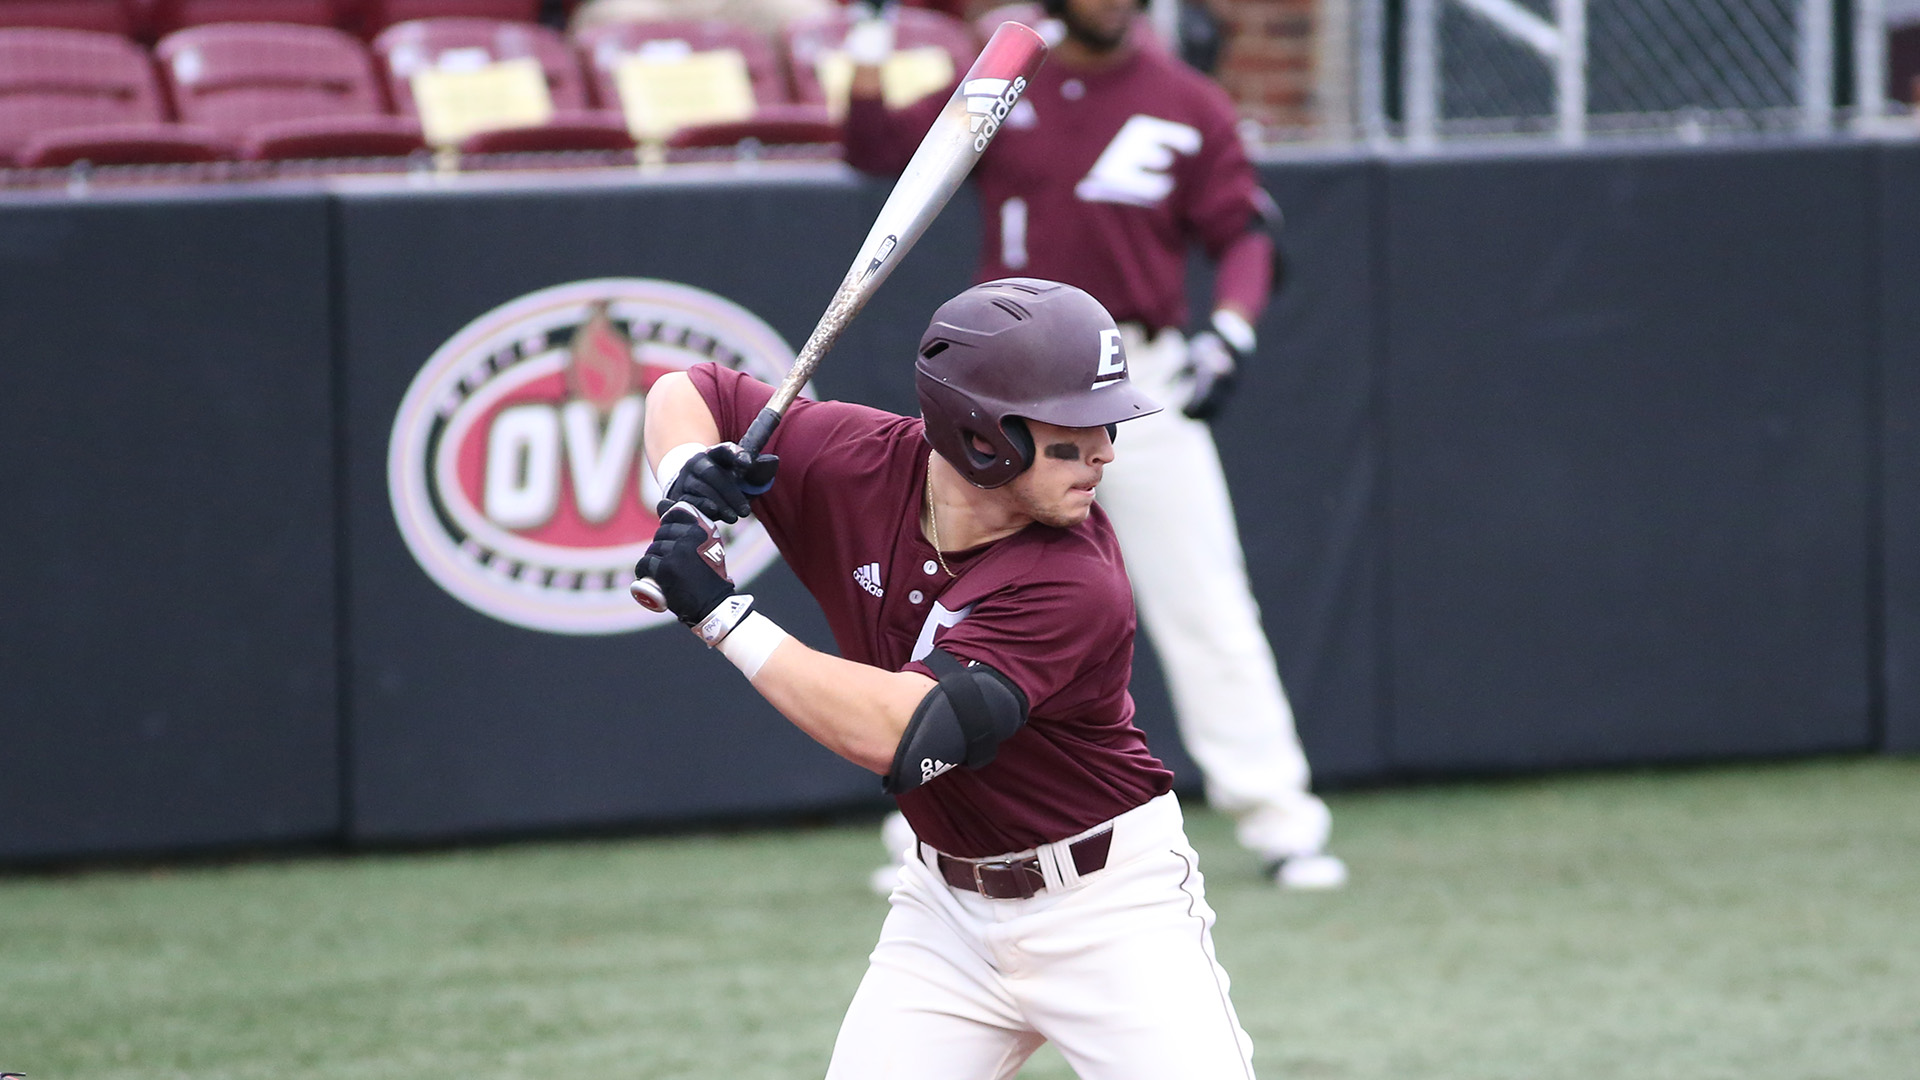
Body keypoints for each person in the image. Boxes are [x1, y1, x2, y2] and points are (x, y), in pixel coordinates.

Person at [635, 278, 1258, 1079]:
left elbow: (901, 733)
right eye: (1073, 428)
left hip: (1109, 909)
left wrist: (720, 615)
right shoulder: (852, 460)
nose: (1106, 450)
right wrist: (687, 483)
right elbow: (690, 389)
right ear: (980, 433)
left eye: (1105, 423)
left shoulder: (1075, 580)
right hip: (947, 912)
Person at [842, 0, 1346, 888]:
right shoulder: (1005, 81)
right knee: (956, 614)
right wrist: (874, 32)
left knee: (1208, 606)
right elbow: (882, 151)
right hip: (1007, 395)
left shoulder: (1188, 101)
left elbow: (1246, 234)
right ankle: (926, 836)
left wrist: (1230, 331)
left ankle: (1282, 822)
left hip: (1133, 387)